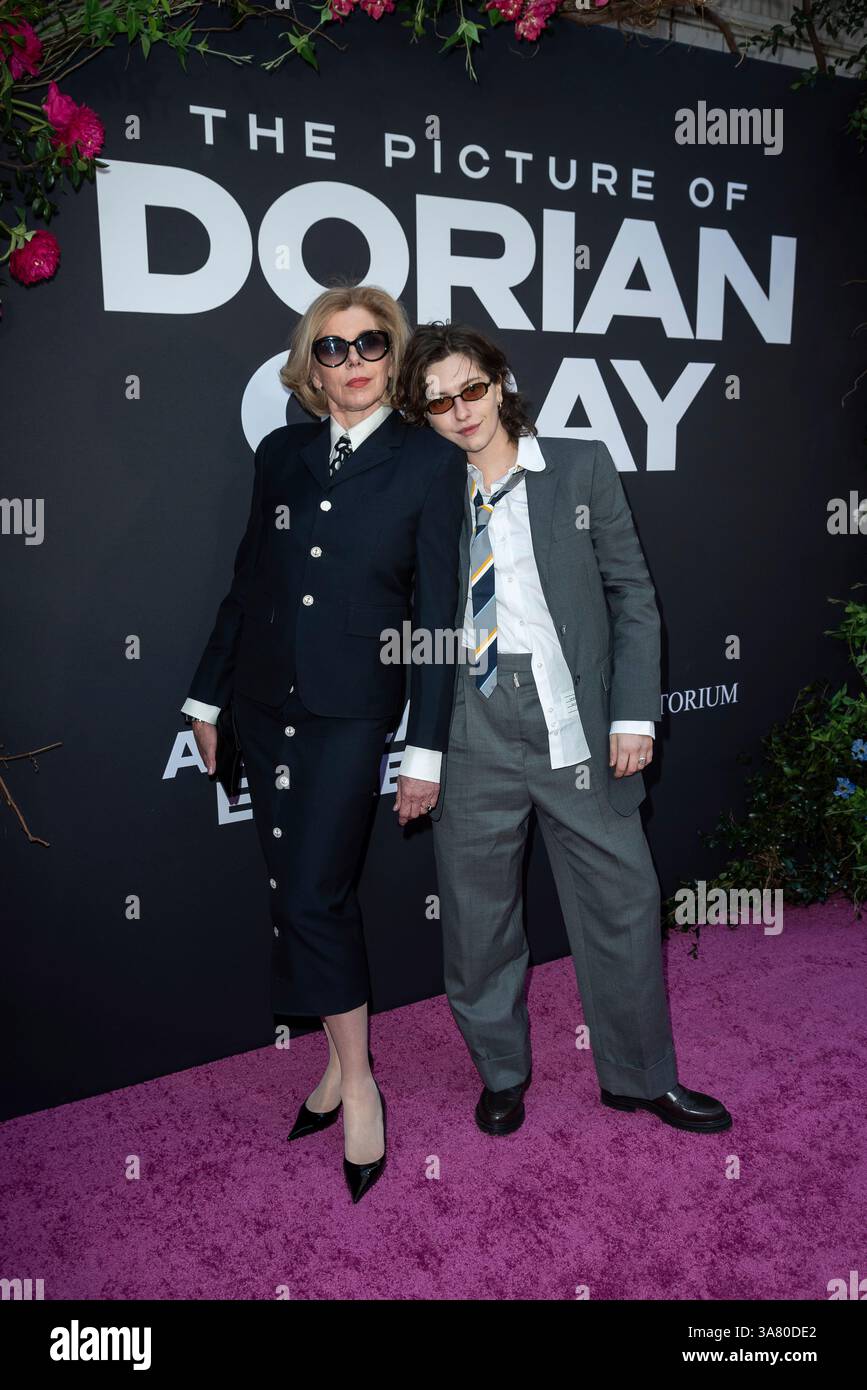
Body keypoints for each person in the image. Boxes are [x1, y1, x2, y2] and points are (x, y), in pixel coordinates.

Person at [394, 322, 732, 1137]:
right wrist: (424, 750)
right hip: (470, 718)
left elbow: (632, 596)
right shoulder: (423, 494)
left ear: (500, 382)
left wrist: (632, 712)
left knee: (622, 899)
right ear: (423, 414)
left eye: (471, 389)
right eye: (438, 402)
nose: (461, 411)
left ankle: (638, 1077)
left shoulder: (578, 465)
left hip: (571, 715)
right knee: (477, 921)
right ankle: (501, 1073)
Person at [181, 286, 466, 1201]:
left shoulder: (428, 461)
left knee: (312, 890)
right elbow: (248, 578)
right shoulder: (281, 453)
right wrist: (207, 693)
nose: (352, 364)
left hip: (351, 714)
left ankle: (362, 1086)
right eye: (332, 349)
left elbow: (438, 618)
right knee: (301, 889)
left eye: (369, 345)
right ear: (312, 364)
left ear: (394, 356)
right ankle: (343, 1070)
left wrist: (424, 749)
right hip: (262, 703)